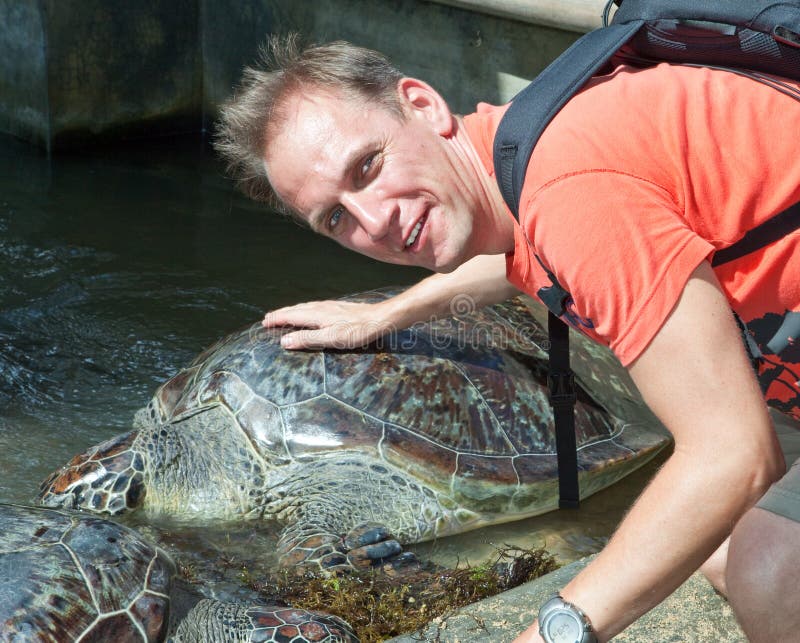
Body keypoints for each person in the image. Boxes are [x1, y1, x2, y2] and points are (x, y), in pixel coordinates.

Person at [214, 35, 800, 642]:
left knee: (767, 567)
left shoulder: (568, 187)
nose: (374, 221)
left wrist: (558, 627)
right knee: (714, 545)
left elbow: (733, 454)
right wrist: (389, 314)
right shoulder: (521, 152)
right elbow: (523, 249)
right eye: (335, 218)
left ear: (422, 104)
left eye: (367, 166)